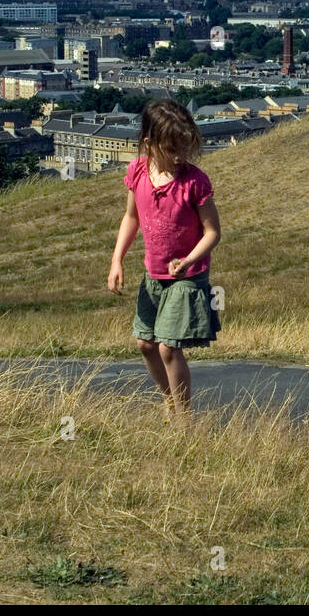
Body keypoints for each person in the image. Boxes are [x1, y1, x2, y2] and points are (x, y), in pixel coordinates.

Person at [108, 99, 221, 416]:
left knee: (168, 347)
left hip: (188, 277)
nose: (180, 157)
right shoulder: (137, 172)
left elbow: (213, 232)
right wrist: (117, 261)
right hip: (152, 275)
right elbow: (131, 218)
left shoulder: (195, 182)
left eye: (185, 148)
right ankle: (169, 399)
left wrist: (187, 261)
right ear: (149, 144)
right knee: (145, 345)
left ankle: (184, 419)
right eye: (172, 150)